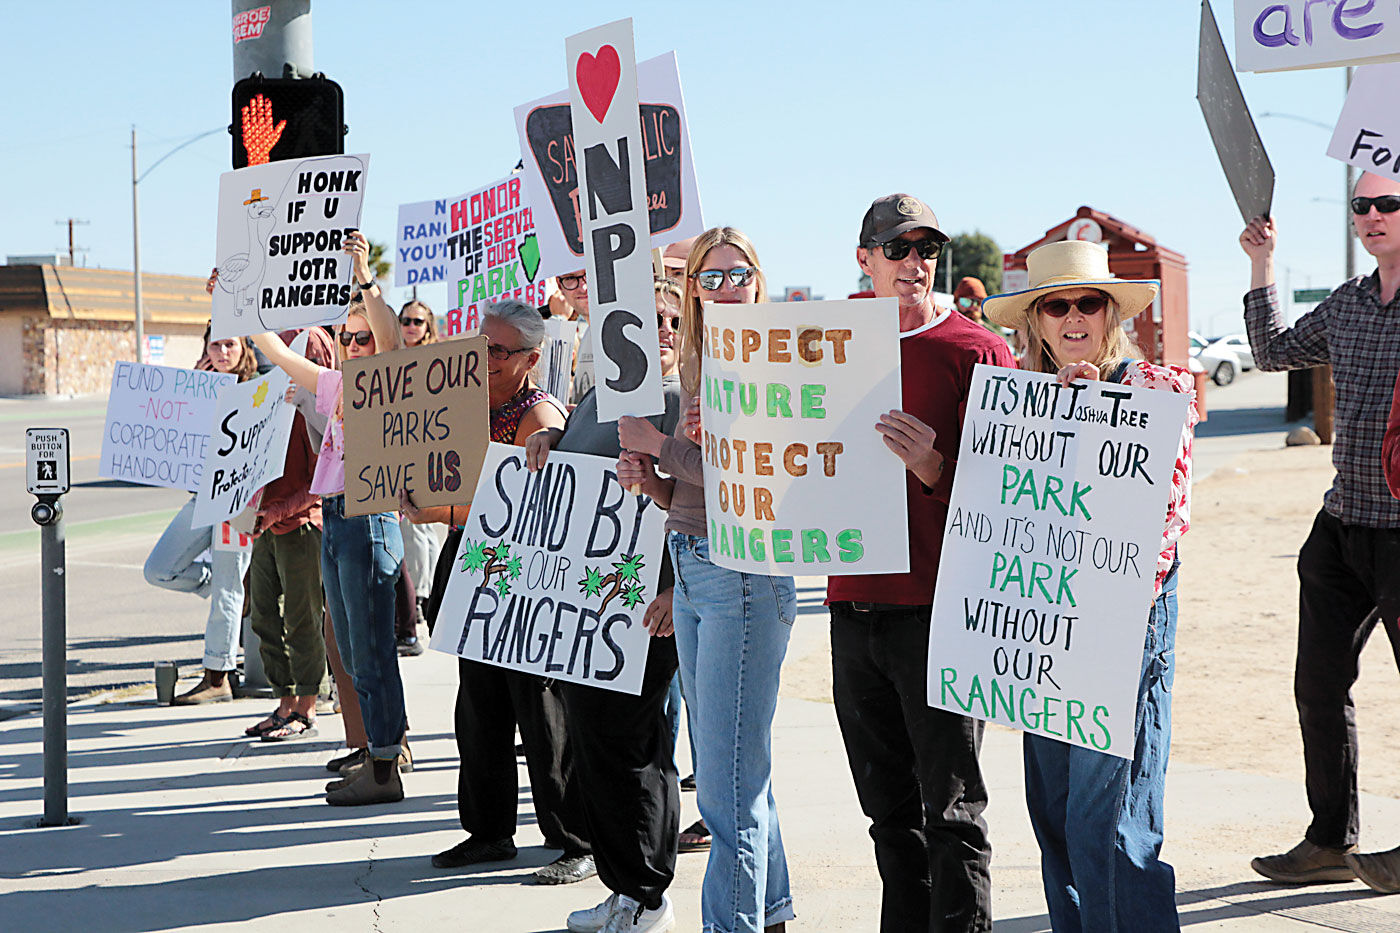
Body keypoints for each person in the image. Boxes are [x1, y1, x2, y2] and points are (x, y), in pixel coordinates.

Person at [984, 239, 1195, 932]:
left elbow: (1168, 518)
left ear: (1110, 313)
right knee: (1053, 809)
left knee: (1110, 819)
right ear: (1036, 320)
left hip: (1121, 623)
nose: (1074, 316)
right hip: (1047, 622)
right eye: (1056, 304)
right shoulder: (1019, 404)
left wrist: (1090, 411)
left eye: (1088, 302)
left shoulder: (1153, 388)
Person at [827, 194, 1015, 933]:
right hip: (849, 610)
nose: (915, 263)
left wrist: (934, 463)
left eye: (927, 249)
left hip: (940, 611)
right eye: (898, 249)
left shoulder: (977, 349)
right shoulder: (823, 343)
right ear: (864, 259)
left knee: (954, 812)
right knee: (888, 816)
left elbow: (1010, 497)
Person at [617, 226, 796, 933]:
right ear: (691, 288)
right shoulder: (697, 363)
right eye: (710, 277)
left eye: (737, 273)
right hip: (694, 565)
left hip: (744, 573)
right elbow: (695, 492)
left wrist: (660, 447)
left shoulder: (777, 360)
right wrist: (652, 480)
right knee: (737, 773)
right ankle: (770, 915)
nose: (726, 287)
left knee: (725, 788)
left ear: (759, 277)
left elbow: (752, 479)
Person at [1242, 172, 1400, 890]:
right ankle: (1332, 839)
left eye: (1387, 204)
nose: (1370, 215)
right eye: (1360, 205)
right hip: (1340, 527)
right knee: (1319, 683)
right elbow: (1273, 352)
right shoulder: (1349, 303)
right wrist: (1262, 264)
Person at [414, 299, 593, 886]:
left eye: (497, 350)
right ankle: (488, 832)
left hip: (523, 577)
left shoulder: (537, 415)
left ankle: (575, 840)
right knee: (479, 706)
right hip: (471, 562)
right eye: (480, 346)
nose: (483, 358)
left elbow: (516, 505)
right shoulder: (463, 404)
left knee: (539, 708)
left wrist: (436, 507)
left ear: (531, 359)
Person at [525, 277, 685, 933]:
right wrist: (546, 443)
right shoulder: (599, 398)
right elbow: (573, 475)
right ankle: (622, 886)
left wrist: (677, 585)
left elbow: (701, 500)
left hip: (650, 607)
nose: (665, 333)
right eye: (653, 321)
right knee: (597, 746)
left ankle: (648, 894)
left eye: (675, 321)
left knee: (633, 748)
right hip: (590, 610)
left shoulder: (684, 403)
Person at [250, 230, 410, 806]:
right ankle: (382, 749)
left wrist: (364, 275)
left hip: (369, 517)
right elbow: (277, 353)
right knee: (349, 644)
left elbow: (389, 335)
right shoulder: (338, 383)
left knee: (368, 650)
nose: (355, 343)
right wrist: (241, 302)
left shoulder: (391, 380)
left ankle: (385, 765)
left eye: (361, 338)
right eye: (346, 337)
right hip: (340, 517)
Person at [142, 323, 258, 705]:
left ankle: (217, 676)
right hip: (201, 498)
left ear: (244, 348)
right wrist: (190, 393)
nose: (223, 352)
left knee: (228, 587)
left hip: (238, 501)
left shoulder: (260, 386)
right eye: (216, 345)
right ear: (205, 349)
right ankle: (225, 589)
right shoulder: (192, 388)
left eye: (231, 344)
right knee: (159, 569)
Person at [241, 325, 337, 741]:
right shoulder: (268, 397)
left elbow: (320, 478)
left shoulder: (318, 408)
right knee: (263, 615)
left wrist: (277, 509)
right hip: (266, 523)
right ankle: (284, 702)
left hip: (302, 525)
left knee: (301, 620)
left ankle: (307, 706)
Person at [395, 299, 443, 656]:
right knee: (409, 528)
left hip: (427, 450)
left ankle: (423, 599)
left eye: (418, 321)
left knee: (421, 528)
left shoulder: (436, 360)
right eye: (405, 320)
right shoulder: (389, 354)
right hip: (398, 447)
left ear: (428, 327)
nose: (411, 326)